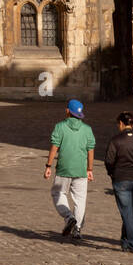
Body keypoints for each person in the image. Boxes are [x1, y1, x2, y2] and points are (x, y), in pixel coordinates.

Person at [44, 99, 96, 245]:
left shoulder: (60, 127)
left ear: (67, 111)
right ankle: (78, 229)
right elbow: (90, 150)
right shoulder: (87, 129)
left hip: (64, 168)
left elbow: (54, 147)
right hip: (81, 169)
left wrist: (48, 165)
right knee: (80, 200)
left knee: (58, 193)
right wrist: (90, 169)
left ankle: (68, 217)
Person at [104, 111, 133, 254]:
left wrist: (112, 173)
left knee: (126, 212)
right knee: (132, 212)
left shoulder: (116, 140)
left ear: (121, 124)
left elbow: (109, 161)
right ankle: (125, 242)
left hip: (121, 178)